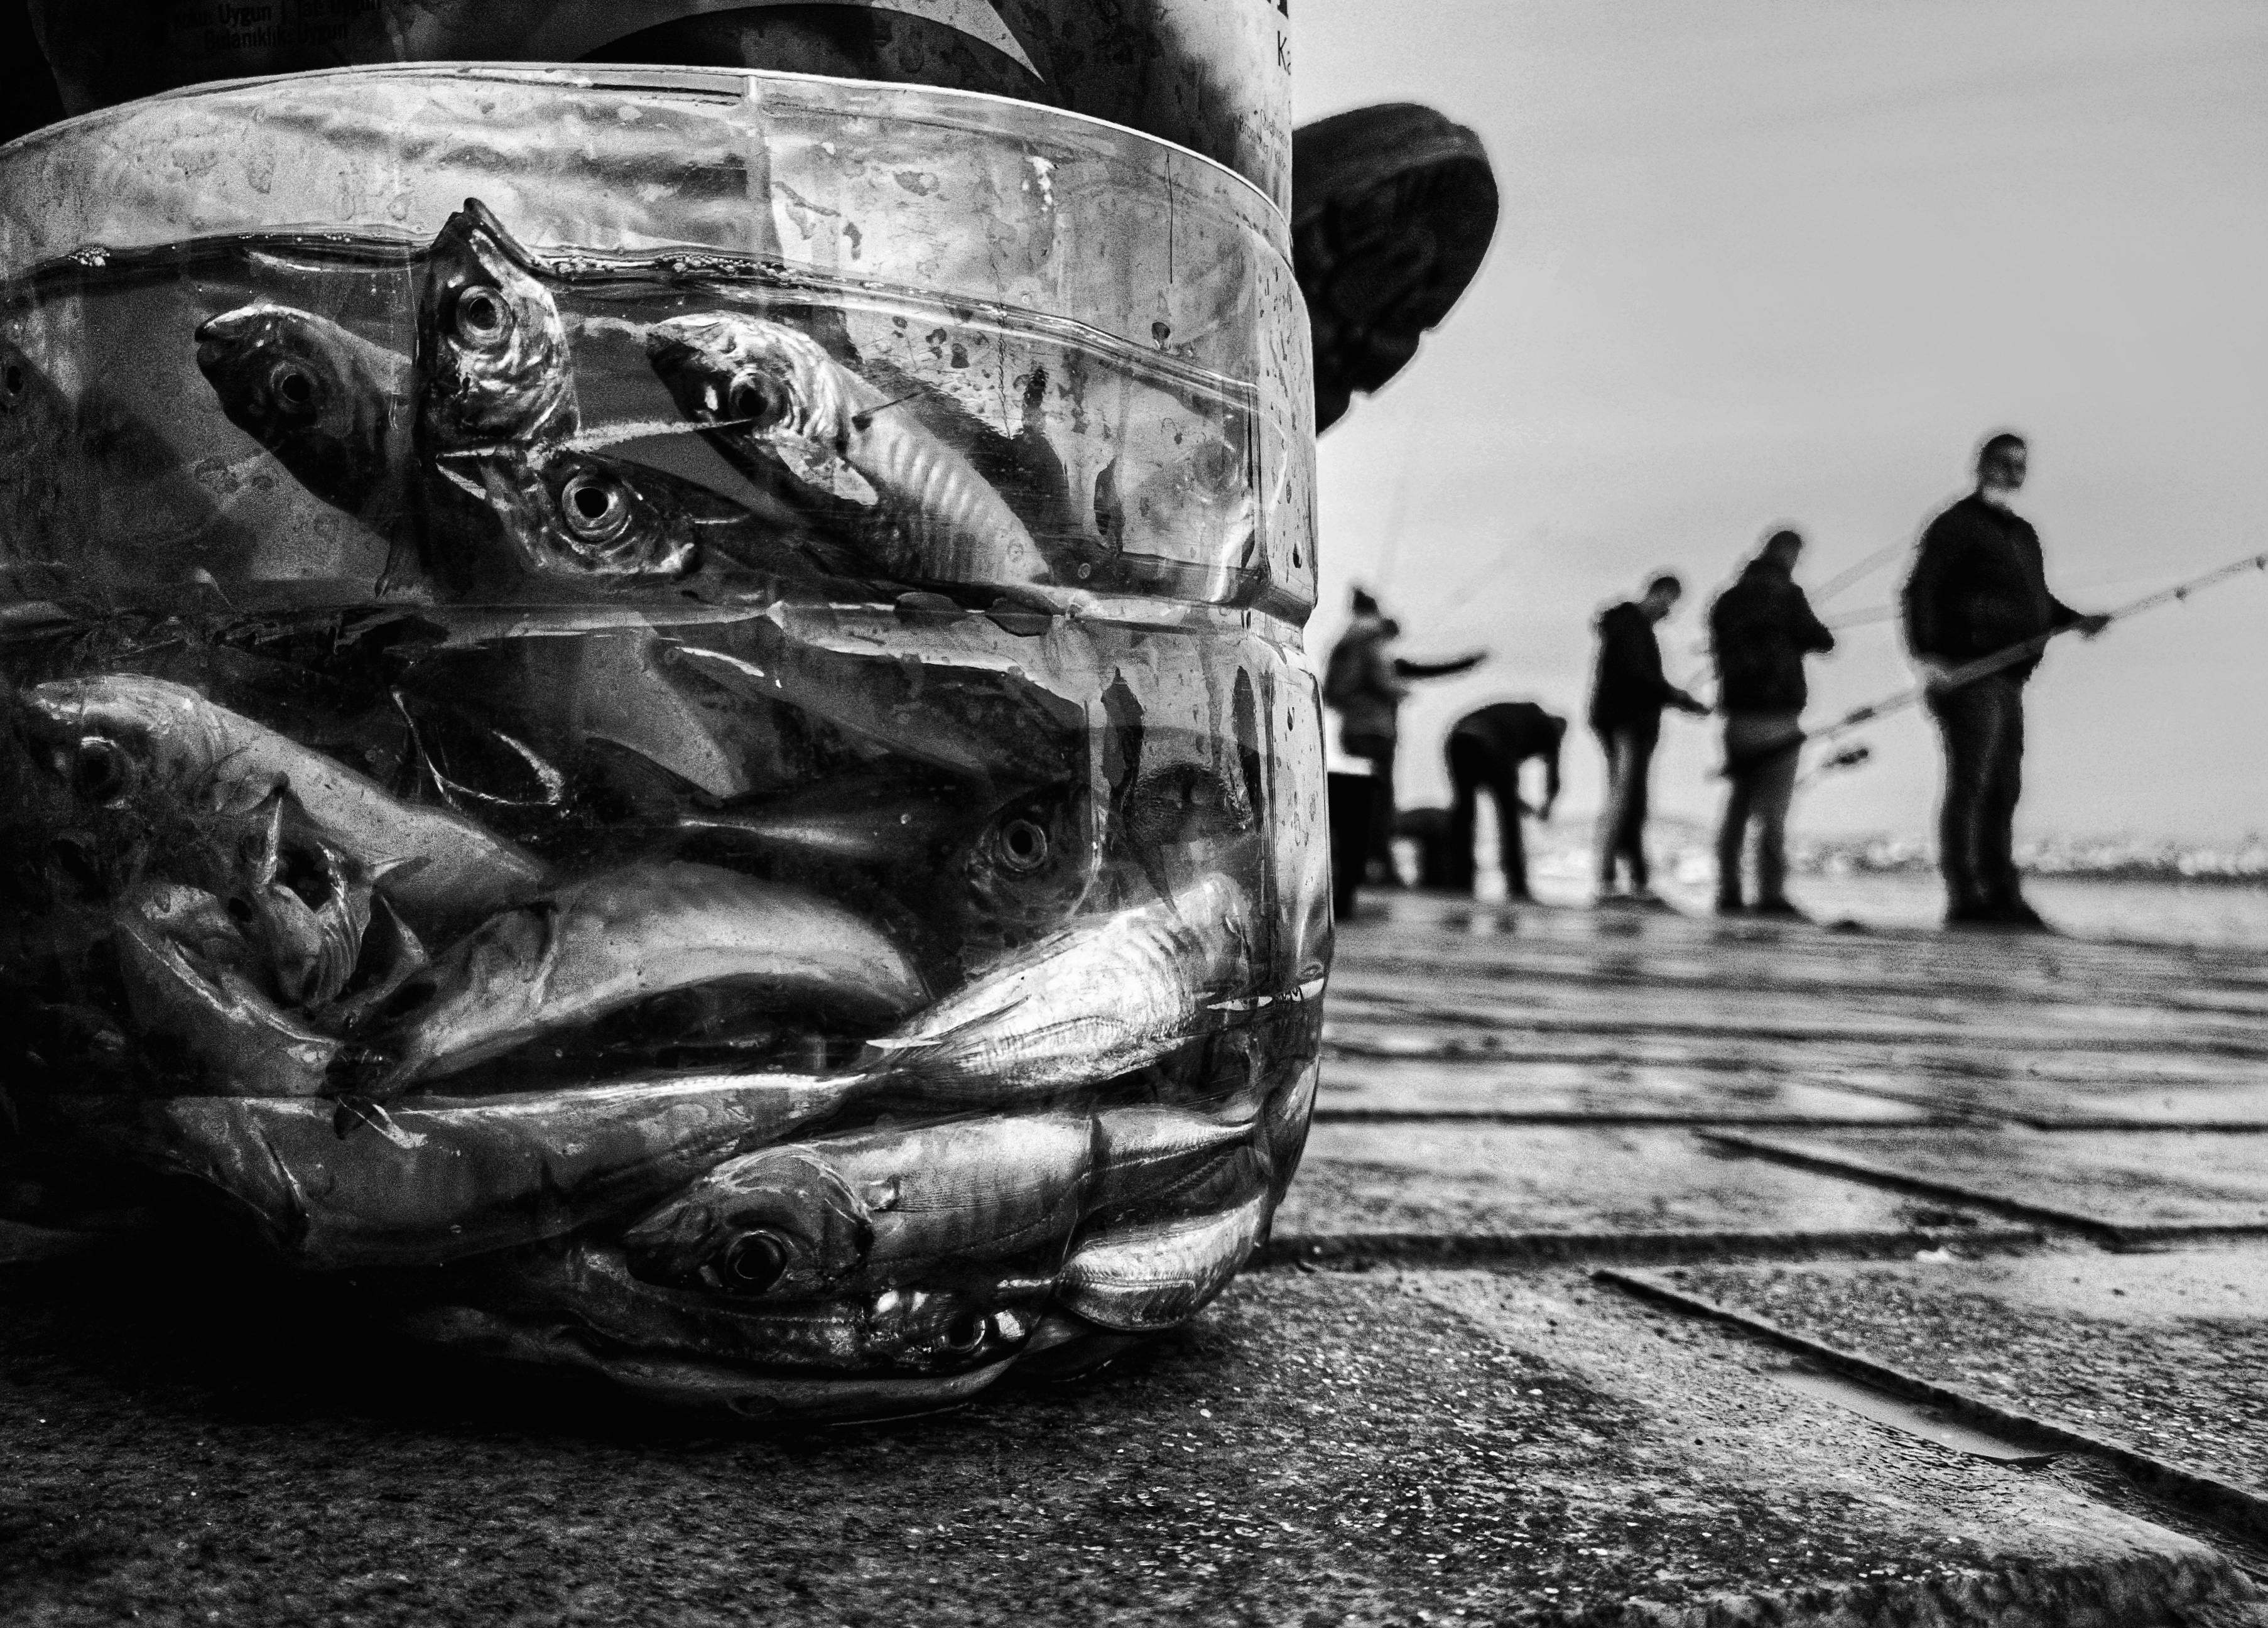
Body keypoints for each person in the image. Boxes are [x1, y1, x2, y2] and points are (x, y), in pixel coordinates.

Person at [1901, 432, 2107, 930]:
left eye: (2020, 463)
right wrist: (1929, 660)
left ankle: (2001, 896)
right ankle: (1967, 897)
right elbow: (1920, 590)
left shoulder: (2020, 534)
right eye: (2004, 461)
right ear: (1981, 464)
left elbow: (2032, 603)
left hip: (2009, 678)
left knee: (2002, 787)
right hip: (1966, 674)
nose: (2013, 471)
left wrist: (2074, 620)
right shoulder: (1955, 524)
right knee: (1970, 785)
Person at [1708, 529, 1835, 917]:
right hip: (1778, 714)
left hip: (1738, 716)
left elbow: (1719, 637)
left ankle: (1728, 892)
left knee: (1738, 806)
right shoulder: (1788, 596)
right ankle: (1770, 895)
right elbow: (1822, 639)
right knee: (1773, 811)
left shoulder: (1727, 600)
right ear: (1790, 555)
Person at [1322, 588, 1484, 884]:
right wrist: (1401, 691)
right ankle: (1378, 867)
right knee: (1379, 800)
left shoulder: (1346, 642)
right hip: (1374, 730)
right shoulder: (1370, 640)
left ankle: (1365, 864)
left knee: (1365, 798)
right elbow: (1386, 679)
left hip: (1353, 730)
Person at [1588, 574, 1708, 902]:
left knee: (1632, 801)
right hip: (1626, 726)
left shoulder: (1629, 626)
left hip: (1629, 725)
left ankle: (1634, 879)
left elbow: (1641, 679)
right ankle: (1609, 878)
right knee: (1623, 799)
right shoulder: (1631, 626)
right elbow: (1639, 679)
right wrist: (1681, 698)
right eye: (1671, 603)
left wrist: (1675, 697)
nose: (1670, 612)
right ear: (1661, 594)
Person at [1443, 702, 1566, 898]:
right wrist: (1547, 808)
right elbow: (1553, 780)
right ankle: (1516, 882)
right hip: (1488, 740)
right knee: (1508, 818)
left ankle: (1459, 880)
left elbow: (1500, 780)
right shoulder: (1550, 729)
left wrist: (1515, 799)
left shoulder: (1520, 717)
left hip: (1459, 736)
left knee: (1465, 812)